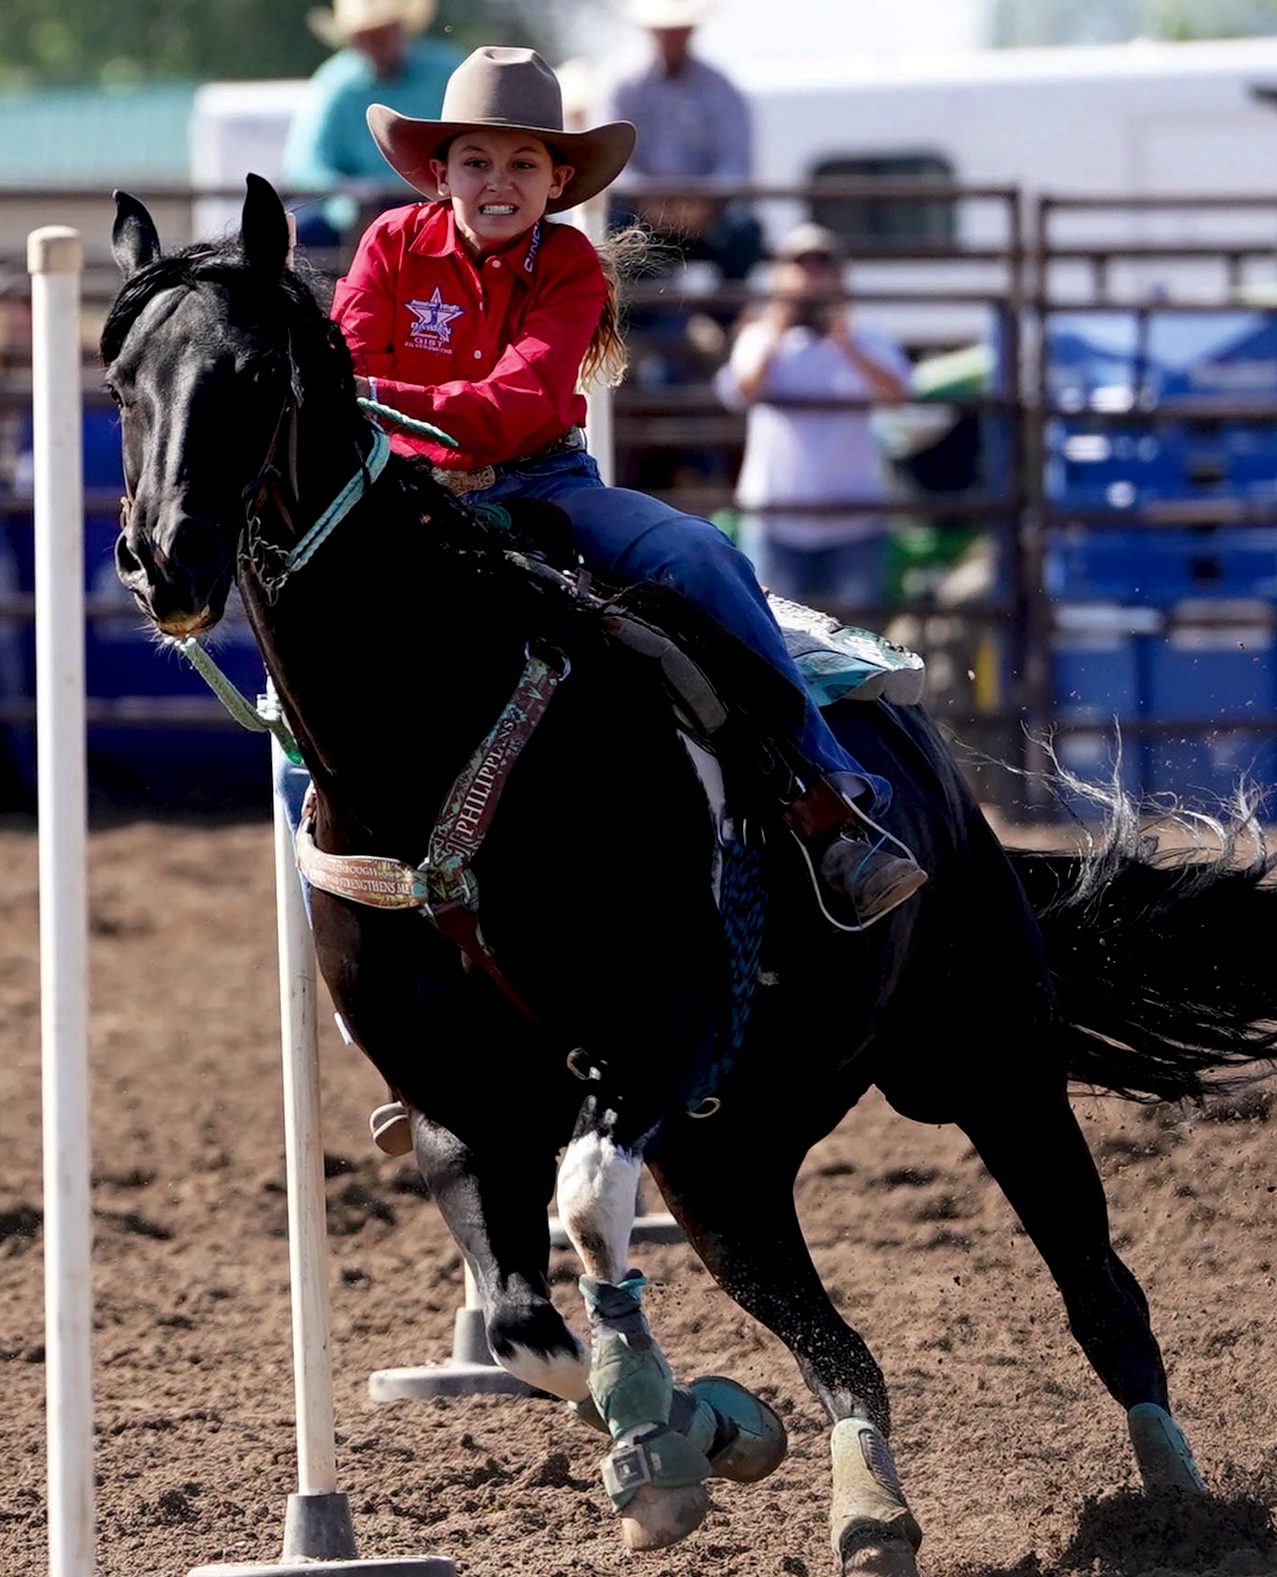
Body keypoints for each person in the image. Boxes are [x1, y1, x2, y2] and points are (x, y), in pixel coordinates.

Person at [333, 47, 927, 933]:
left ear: (557, 176)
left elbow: (510, 406)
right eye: (478, 161)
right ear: (440, 170)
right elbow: (341, 360)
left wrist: (383, 400)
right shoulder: (390, 241)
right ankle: (337, 824)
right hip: (406, 489)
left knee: (699, 552)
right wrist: (378, 409)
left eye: (523, 162)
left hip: (543, 480)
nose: (499, 182)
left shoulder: (569, 263)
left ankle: (825, 797)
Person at [716, 223, 910, 613]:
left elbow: (898, 394)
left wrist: (846, 342)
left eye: (823, 265)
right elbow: (741, 390)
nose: (811, 275)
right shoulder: (760, 337)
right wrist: (776, 326)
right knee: (779, 642)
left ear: (840, 276)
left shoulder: (866, 337)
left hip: (854, 524)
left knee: (860, 649)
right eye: (800, 264)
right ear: (780, 275)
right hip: (776, 522)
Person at [604, 0, 762, 284]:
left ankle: (727, 319)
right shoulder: (623, 87)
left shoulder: (721, 88)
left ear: (691, 31)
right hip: (644, 210)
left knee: (744, 230)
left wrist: (704, 204)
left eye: (678, 29)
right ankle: (642, 318)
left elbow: (736, 163)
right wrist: (651, 202)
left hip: (706, 213)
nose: (671, 38)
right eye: (665, 30)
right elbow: (613, 160)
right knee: (616, 227)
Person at [281, 0, 463, 245]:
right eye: (367, 34)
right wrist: (349, 197)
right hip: (357, 214)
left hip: (438, 202)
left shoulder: (447, 72)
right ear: (352, 40)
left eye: (386, 30)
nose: (379, 42)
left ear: (403, 28)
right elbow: (305, 165)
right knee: (290, 234)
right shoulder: (335, 84)